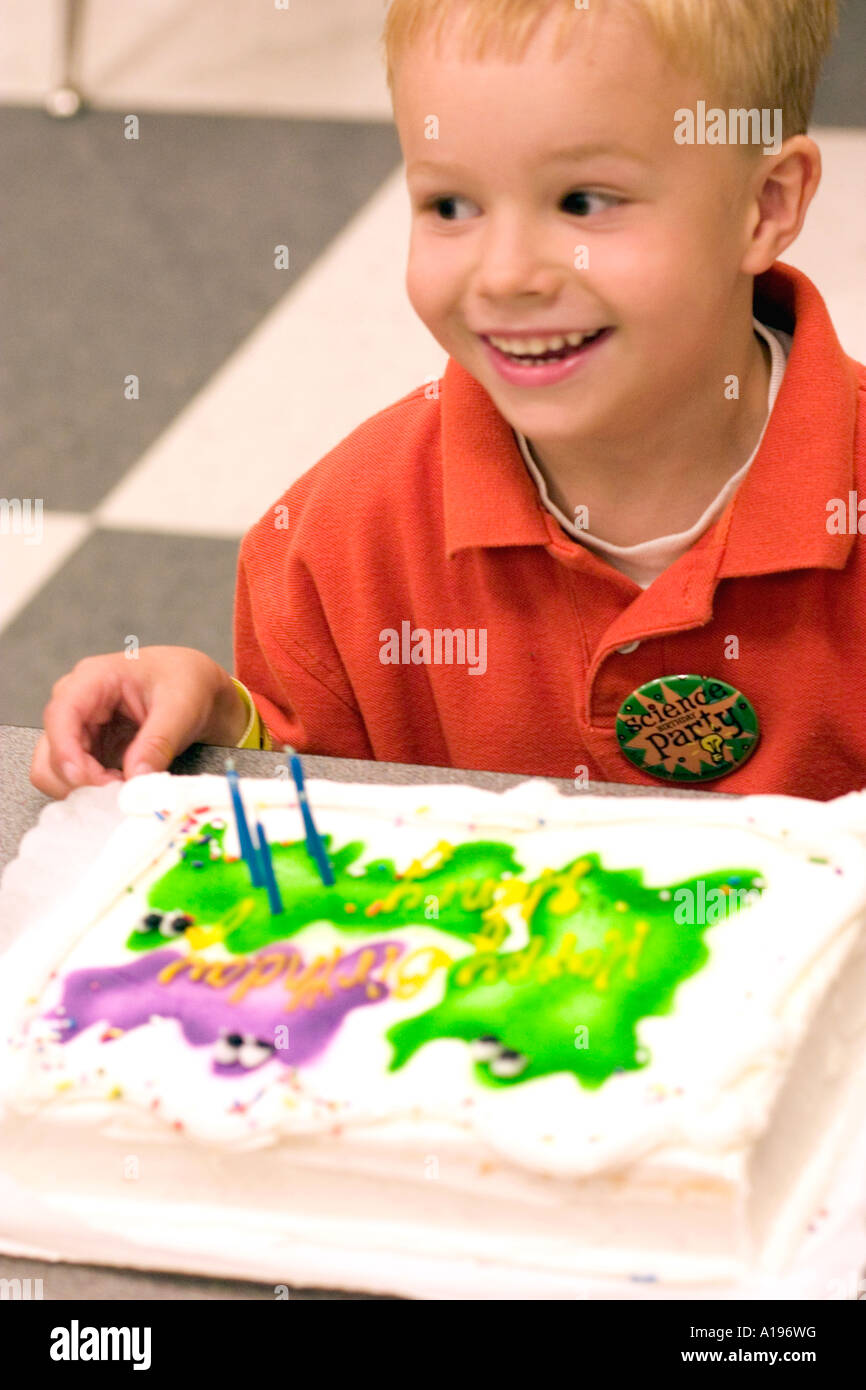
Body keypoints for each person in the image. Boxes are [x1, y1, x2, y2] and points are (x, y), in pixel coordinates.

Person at [33, 0, 861, 802]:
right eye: (451, 206)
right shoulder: (333, 549)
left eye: (583, 202)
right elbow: (320, 835)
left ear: (767, 205)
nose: (504, 275)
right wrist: (221, 731)